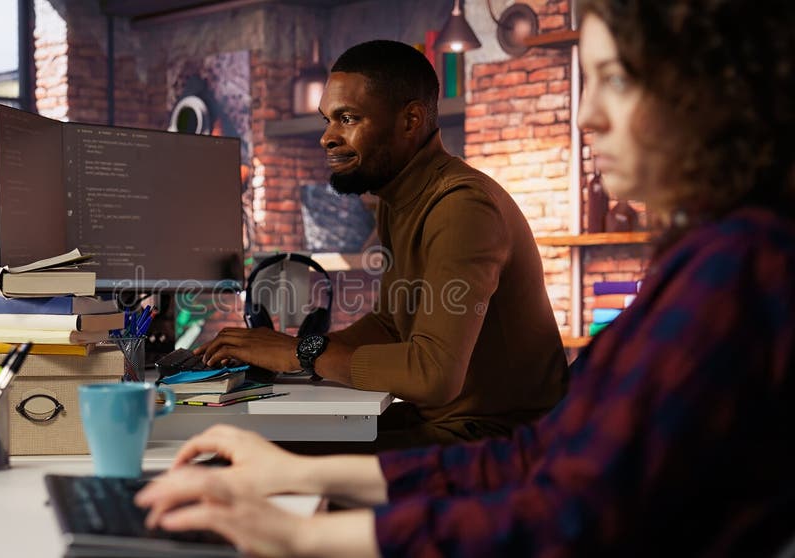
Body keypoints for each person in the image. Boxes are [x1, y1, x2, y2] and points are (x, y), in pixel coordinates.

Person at [135, 1, 795, 555]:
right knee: (262, 455)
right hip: (487, 447)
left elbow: (558, 504)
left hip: (472, 428)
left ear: (714, 91)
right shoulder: (704, 262)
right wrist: (294, 395)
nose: (589, 117)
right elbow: (415, 343)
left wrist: (302, 525)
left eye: (616, 79)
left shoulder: (733, 270)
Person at [197, 40, 568, 449]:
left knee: (267, 460)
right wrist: (287, 353)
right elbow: (392, 323)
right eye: (327, 120)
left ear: (410, 120)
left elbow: (433, 374)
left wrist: (302, 354)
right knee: (271, 440)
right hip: (452, 424)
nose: (327, 138)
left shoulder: (461, 208)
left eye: (348, 118)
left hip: (501, 443)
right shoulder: (398, 198)